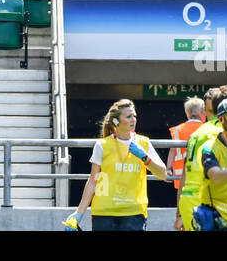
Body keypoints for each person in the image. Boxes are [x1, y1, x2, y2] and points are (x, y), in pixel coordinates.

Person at [66, 98, 170, 231]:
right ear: (116, 121)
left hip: (133, 212)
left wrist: (144, 157)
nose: (133, 120)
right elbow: (93, 181)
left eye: (134, 116)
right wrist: (79, 213)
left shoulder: (143, 143)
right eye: (128, 116)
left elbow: (162, 174)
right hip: (104, 212)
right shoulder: (102, 145)